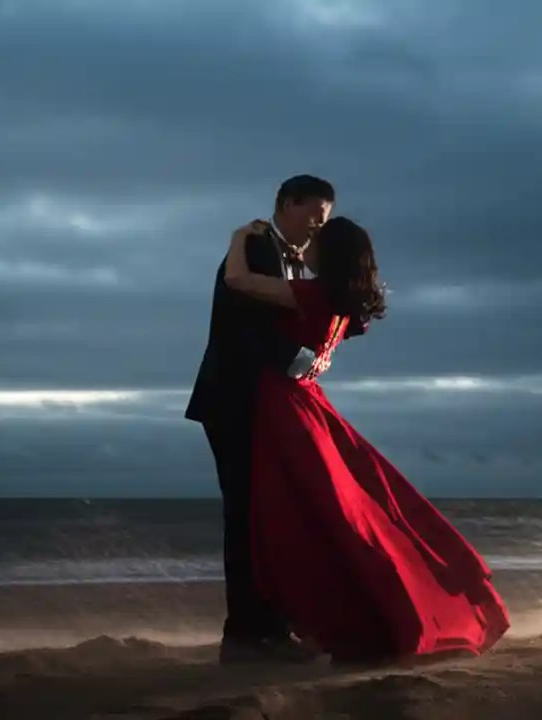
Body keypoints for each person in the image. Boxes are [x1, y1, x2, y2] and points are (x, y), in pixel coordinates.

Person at [223, 216, 510, 664]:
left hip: (286, 406)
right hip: (308, 402)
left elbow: (238, 280)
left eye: (315, 240)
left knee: (301, 514)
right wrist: (296, 258)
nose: (306, 244)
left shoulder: (312, 294)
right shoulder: (341, 301)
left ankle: (312, 622)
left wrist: (239, 237)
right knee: (344, 508)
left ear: (330, 253)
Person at [185, 175, 337, 664]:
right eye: (314, 216)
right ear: (288, 204)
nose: (317, 227)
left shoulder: (284, 255)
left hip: (261, 399)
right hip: (237, 399)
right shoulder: (254, 247)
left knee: (268, 513)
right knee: (248, 515)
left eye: (325, 220)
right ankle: (250, 635)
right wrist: (304, 362)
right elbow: (246, 329)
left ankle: (268, 628)